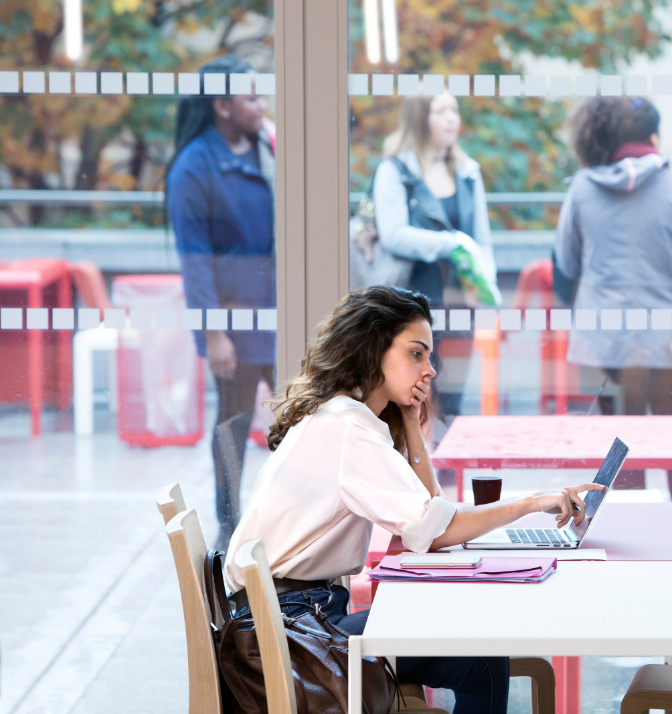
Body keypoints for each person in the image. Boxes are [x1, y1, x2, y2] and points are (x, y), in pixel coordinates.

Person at [223, 286, 602, 713]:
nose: (430, 370)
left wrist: (411, 423)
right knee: (483, 660)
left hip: (288, 621)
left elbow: (428, 513)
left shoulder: (340, 415)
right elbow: (434, 532)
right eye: (416, 354)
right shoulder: (351, 428)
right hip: (291, 636)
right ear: (373, 349)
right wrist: (531, 503)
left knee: (478, 651)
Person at [554, 96, 672, 501]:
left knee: (615, 455)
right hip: (671, 346)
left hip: (604, 345)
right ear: (653, 137)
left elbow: (566, 261)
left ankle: (624, 536)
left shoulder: (582, 187)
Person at [166, 56, 275, 550]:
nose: (262, 105)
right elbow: (196, 260)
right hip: (233, 322)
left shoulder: (268, 149)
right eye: (252, 97)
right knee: (232, 424)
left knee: (304, 418)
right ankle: (230, 525)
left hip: (280, 311)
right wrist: (213, 332)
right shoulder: (194, 167)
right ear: (223, 106)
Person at [370, 90, 500, 431]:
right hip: (409, 309)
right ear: (419, 118)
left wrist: (487, 288)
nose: (450, 118)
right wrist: (452, 243)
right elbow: (393, 234)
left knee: (449, 403)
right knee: (408, 406)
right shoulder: (395, 170)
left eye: (454, 110)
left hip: (459, 306)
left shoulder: (468, 172)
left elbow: (481, 241)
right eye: (439, 110)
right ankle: (410, 481)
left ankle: (441, 482)